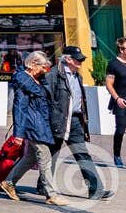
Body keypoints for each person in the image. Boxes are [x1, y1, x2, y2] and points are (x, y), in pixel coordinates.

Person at [45, 45, 111, 200]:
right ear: (67, 59)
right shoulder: (54, 75)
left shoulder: (77, 76)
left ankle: (96, 190)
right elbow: (47, 100)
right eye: (77, 59)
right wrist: (51, 119)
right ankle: (44, 186)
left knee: (82, 154)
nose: (80, 62)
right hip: (58, 121)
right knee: (52, 155)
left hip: (75, 121)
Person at [2, 50, 59, 203]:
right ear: (33, 64)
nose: (44, 71)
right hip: (34, 126)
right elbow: (19, 108)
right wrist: (18, 134)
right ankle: (51, 195)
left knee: (30, 158)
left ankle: (8, 182)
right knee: (45, 158)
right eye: (43, 67)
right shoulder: (24, 81)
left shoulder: (36, 79)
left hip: (40, 124)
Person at [106, 37, 126, 169]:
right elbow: (109, 84)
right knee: (121, 130)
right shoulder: (113, 64)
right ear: (121, 50)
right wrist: (117, 98)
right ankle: (117, 155)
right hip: (122, 102)